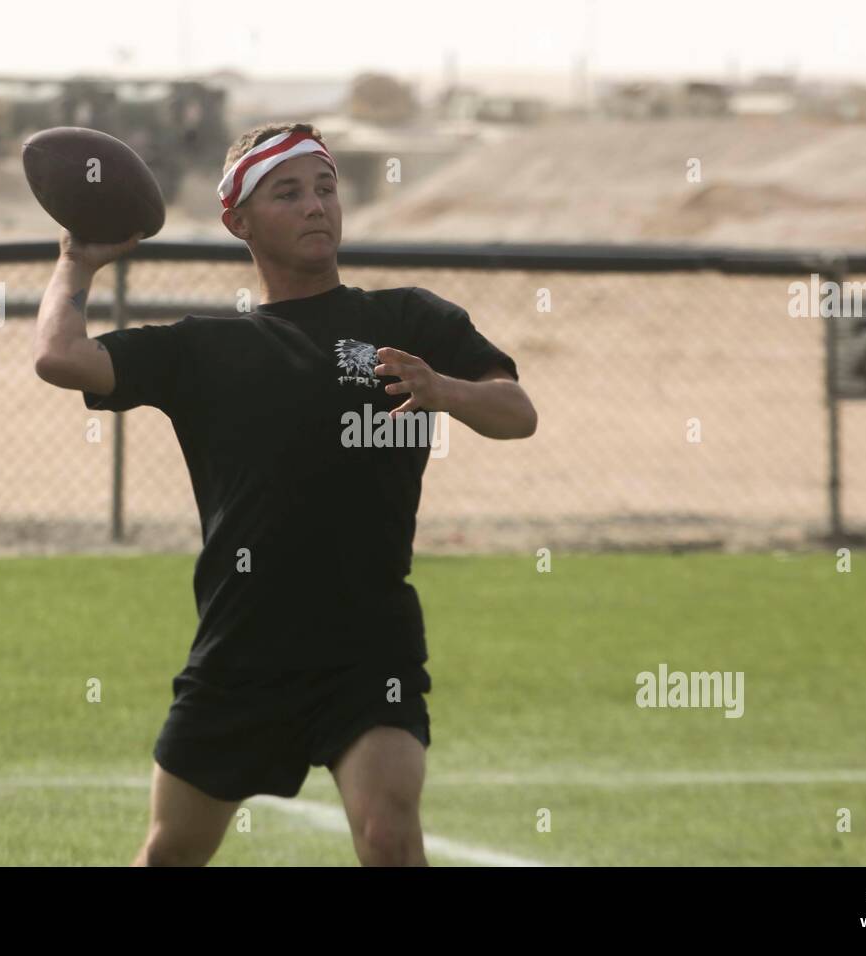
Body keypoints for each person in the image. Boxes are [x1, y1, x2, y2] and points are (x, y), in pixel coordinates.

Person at [32, 122, 537, 866]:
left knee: (390, 835)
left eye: (326, 188)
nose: (316, 207)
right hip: (244, 648)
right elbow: (60, 356)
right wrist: (77, 261)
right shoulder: (207, 349)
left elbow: (517, 413)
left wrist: (446, 390)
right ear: (239, 221)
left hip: (369, 643)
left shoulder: (410, 321)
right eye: (289, 192)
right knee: (171, 852)